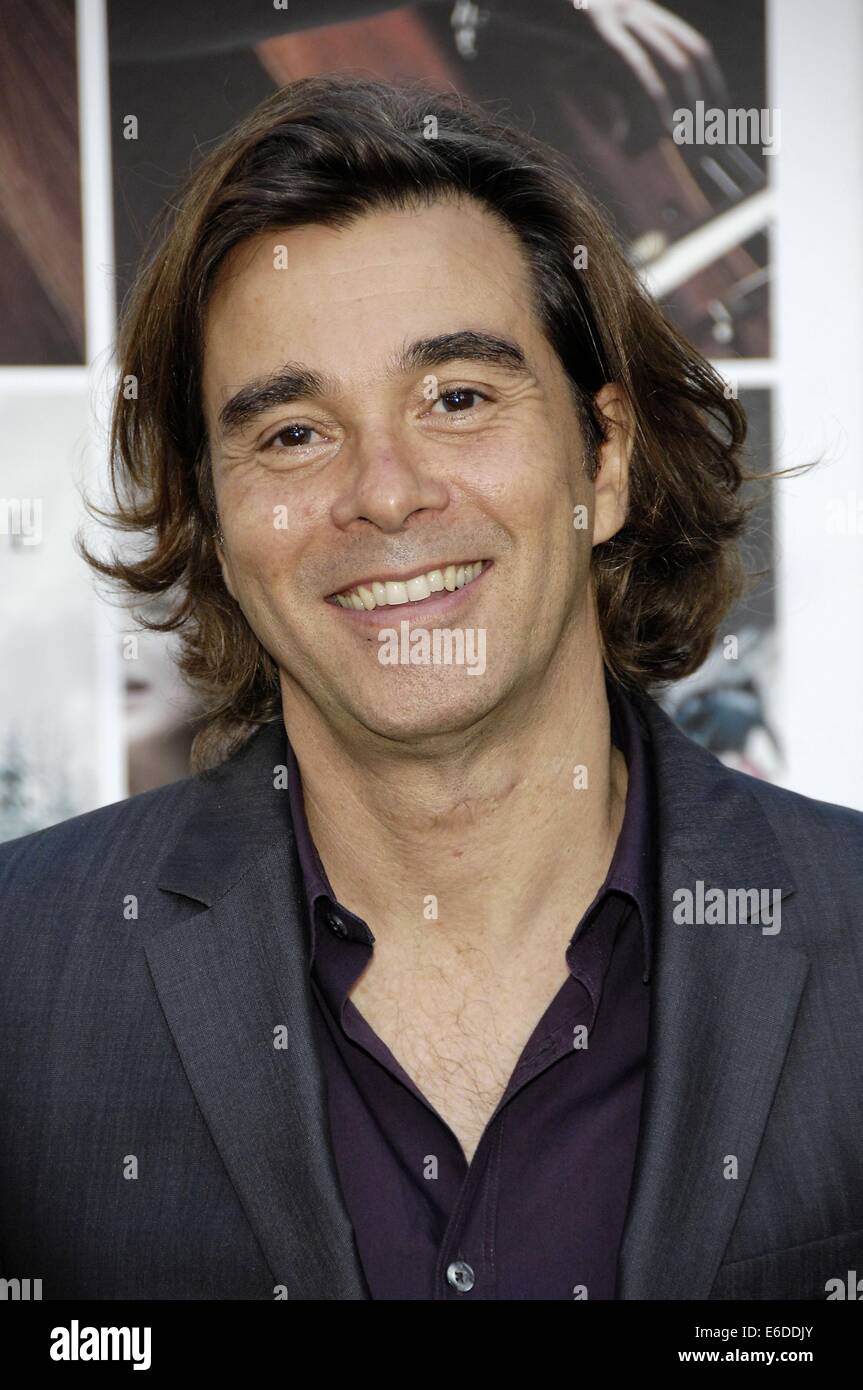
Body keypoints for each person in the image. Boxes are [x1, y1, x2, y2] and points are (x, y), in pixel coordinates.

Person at [1, 74, 861, 1302]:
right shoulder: (23, 972)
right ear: (215, 516)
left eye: (456, 398)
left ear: (603, 458)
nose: (386, 492)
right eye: (292, 431)